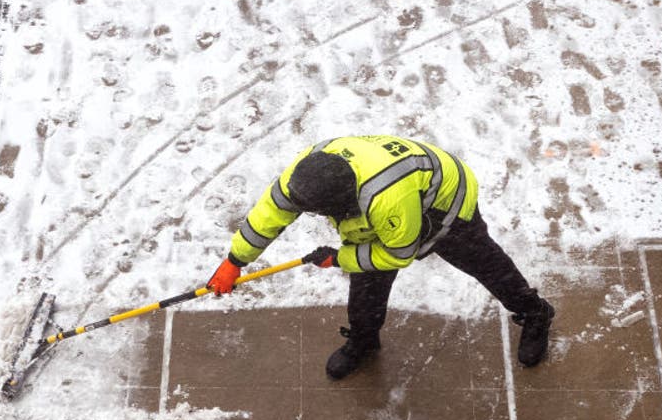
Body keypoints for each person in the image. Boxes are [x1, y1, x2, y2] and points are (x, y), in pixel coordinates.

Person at [207, 135, 554, 379]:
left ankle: (534, 312)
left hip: (442, 203)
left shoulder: (384, 198)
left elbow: (398, 253)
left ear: (341, 204)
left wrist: (341, 259)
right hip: (393, 198)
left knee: (483, 263)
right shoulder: (305, 173)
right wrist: (234, 261)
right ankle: (364, 339)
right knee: (366, 289)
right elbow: (271, 212)